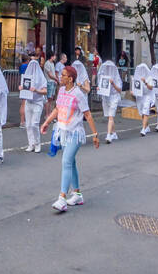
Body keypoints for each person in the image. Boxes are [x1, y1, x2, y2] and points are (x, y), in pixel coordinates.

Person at [39, 65, 100, 213]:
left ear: (70, 79)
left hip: (75, 133)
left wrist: (95, 135)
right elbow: (57, 109)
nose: (61, 77)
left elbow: (88, 115)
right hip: (63, 131)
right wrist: (46, 123)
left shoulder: (78, 94)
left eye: (64, 75)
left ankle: (62, 198)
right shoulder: (61, 91)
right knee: (71, 163)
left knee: (66, 161)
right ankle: (77, 194)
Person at [19, 54, 48, 153]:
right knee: (28, 124)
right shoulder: (27, 77)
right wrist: (21, 88)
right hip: (29, 102)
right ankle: (31, 143)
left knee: (34, 123)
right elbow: (23, 87)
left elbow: (45, 91)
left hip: (38, 102)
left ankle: (37, 143)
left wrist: (37, 91)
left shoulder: (41, 78)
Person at [96, 60, 122, 143]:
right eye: (107, 68)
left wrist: (113, 83)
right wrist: (99, 89)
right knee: (108, 116)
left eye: (110, 68)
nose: (108, 70)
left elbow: (119, 90)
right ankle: (113, 133)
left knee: (111, 116)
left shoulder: (116, 77)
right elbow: (101, 87)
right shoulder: (103, 77)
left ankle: (108, 135)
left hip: (114, 97)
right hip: (106, 97)